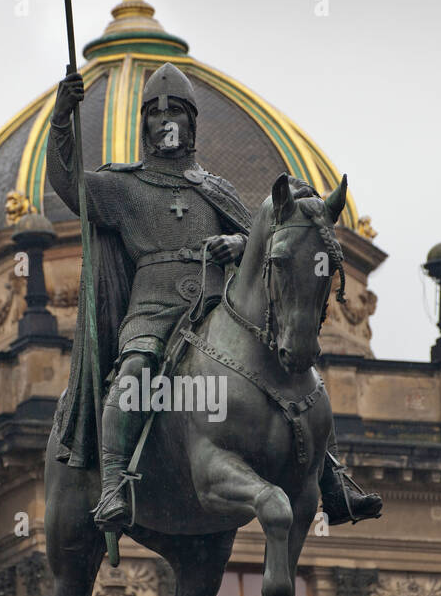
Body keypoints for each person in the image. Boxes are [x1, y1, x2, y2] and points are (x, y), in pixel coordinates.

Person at [47, 61, 381, 532]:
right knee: (136, 372)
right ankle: (116, 484)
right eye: (158, 117)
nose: (168, 125)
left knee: (295, 375)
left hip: (214, 305)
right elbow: (68, 184)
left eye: (178, 116)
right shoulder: (122, 187)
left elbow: (264, 246)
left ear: (191, 127)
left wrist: (241, 244)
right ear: (145, 127)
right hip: (153, 310)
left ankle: (333, 478)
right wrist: (63, 117)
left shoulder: (216, 189)